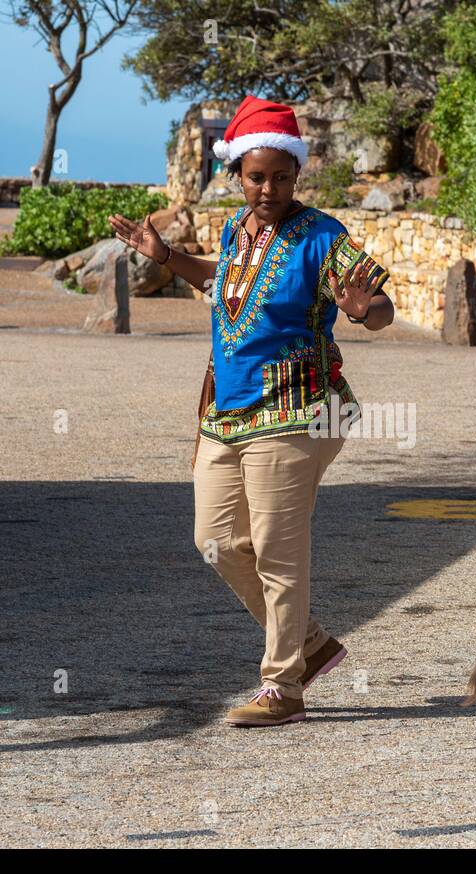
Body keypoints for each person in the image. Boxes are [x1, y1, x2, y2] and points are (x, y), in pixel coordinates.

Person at [109, 95, 395, 727]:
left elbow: (381, 308)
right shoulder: (237, 230)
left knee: (275, 547)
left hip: (298, 411)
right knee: (213, 540)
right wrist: (165, 258)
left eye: (281, 177)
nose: (269, 188)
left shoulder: (324, 237)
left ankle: (282, 687)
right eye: (257, 177)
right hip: (227, 411)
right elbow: (222, 284)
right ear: (237, 175)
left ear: (297, 175)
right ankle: (310, 645)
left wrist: (362, 310)